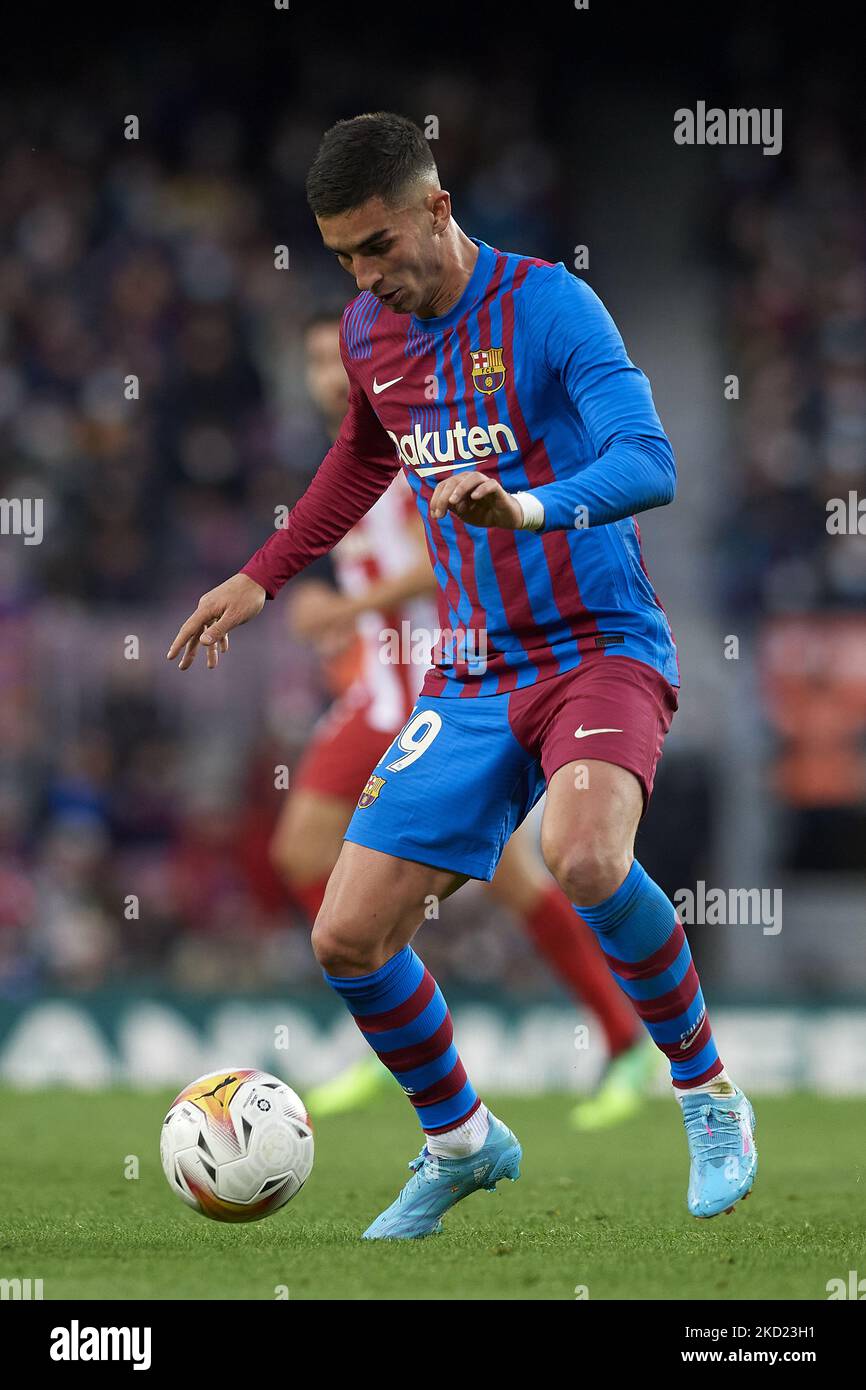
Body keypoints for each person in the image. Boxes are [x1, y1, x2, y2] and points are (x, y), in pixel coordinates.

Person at [168, 111, 757, 1239]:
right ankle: (462, 1139)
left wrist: (523, 503)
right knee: (343, 937)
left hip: (596, 646)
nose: (364, 275)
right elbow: (361, 454)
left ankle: (704, 1090)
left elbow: (649, 459)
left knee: (580, 859)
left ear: (437, 210)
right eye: (344, 255)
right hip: (473, 673)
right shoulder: (365, 333)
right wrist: (265, 574)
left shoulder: (547, 305)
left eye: (378, 245)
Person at [272, 312, 657, 1129]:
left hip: (437, 681)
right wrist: (311, 595)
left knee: (519, 876)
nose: (328, 377)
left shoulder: (419, 435)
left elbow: (453, 556)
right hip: (375, 690)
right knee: (304, 849)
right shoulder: (354, 458)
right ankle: (400, 1015)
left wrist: (351, 604)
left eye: (331, 359)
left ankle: (622, 1041)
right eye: (312, 362)